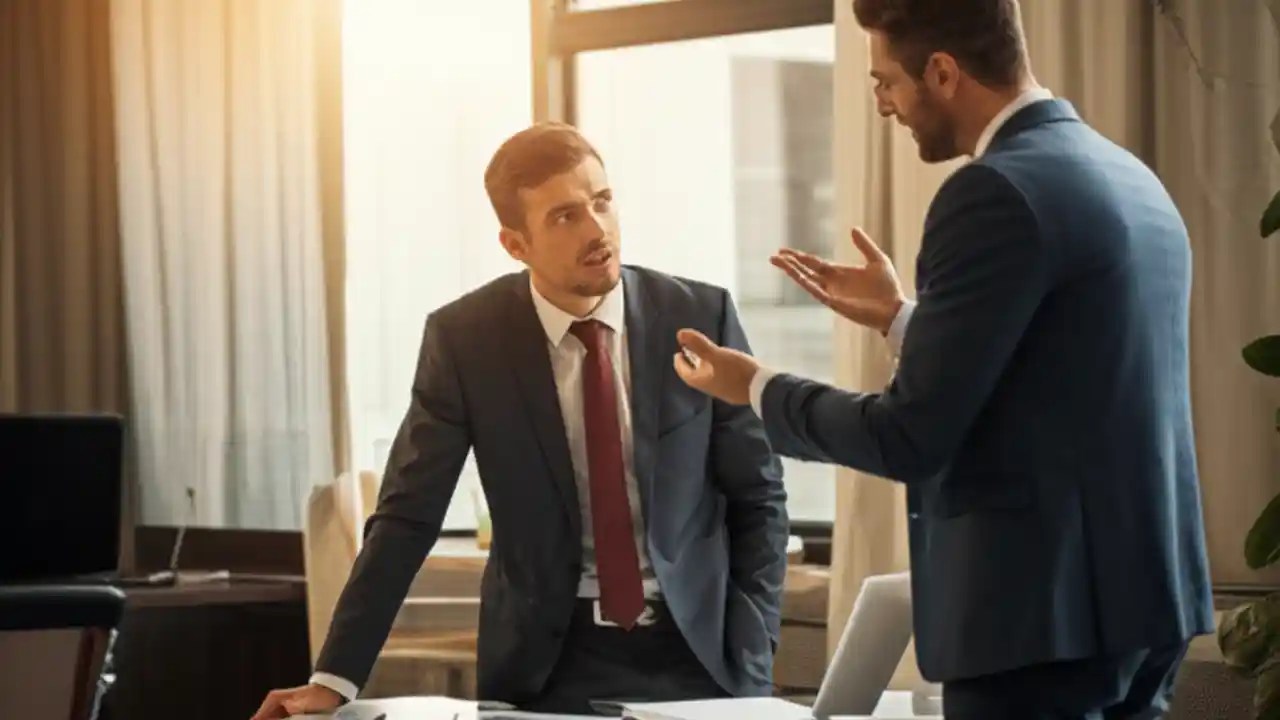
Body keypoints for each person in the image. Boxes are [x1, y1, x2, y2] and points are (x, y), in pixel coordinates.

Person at [672, 1, 1214, 718]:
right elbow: (1061, 374)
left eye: (885, 82)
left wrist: (757, 387)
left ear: (943, 72)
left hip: (1040, 623)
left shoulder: (992, 192)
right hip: (1148, 604)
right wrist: (902, 320)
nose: (882, 105)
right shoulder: (1128, 175)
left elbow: (909, 436)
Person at [251, 123, 789, 719]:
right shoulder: (466, 340)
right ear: (515, 244)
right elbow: (407, 515)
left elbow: (758, 493)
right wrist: (334, 678)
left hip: (701, 656)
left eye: (602, 201)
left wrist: (754, 647)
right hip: (548, 664)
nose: (597, 230)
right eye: (564, 217)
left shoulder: (698, 316)